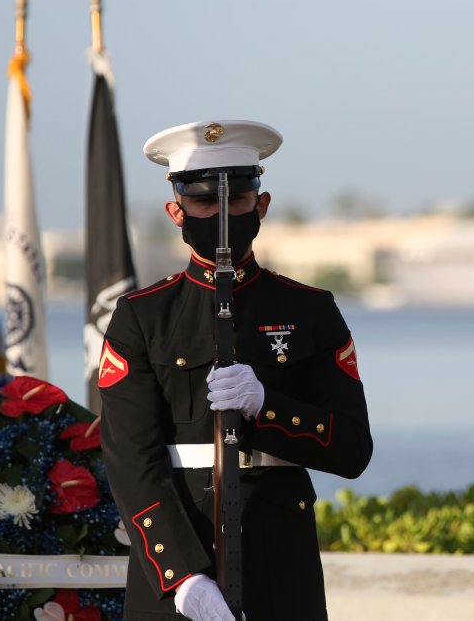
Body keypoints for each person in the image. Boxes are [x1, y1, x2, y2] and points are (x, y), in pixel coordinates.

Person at [99, 120, 373, 620]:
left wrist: (268, 408)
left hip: (279, 553)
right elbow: (131, 461)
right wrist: (183, 576)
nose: (221, 214)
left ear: (261, 206)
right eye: (204, 203)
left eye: (238, 200)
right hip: (179, 553)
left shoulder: (310, 311)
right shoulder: (142, 317)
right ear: (175, 212)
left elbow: (352, 447)